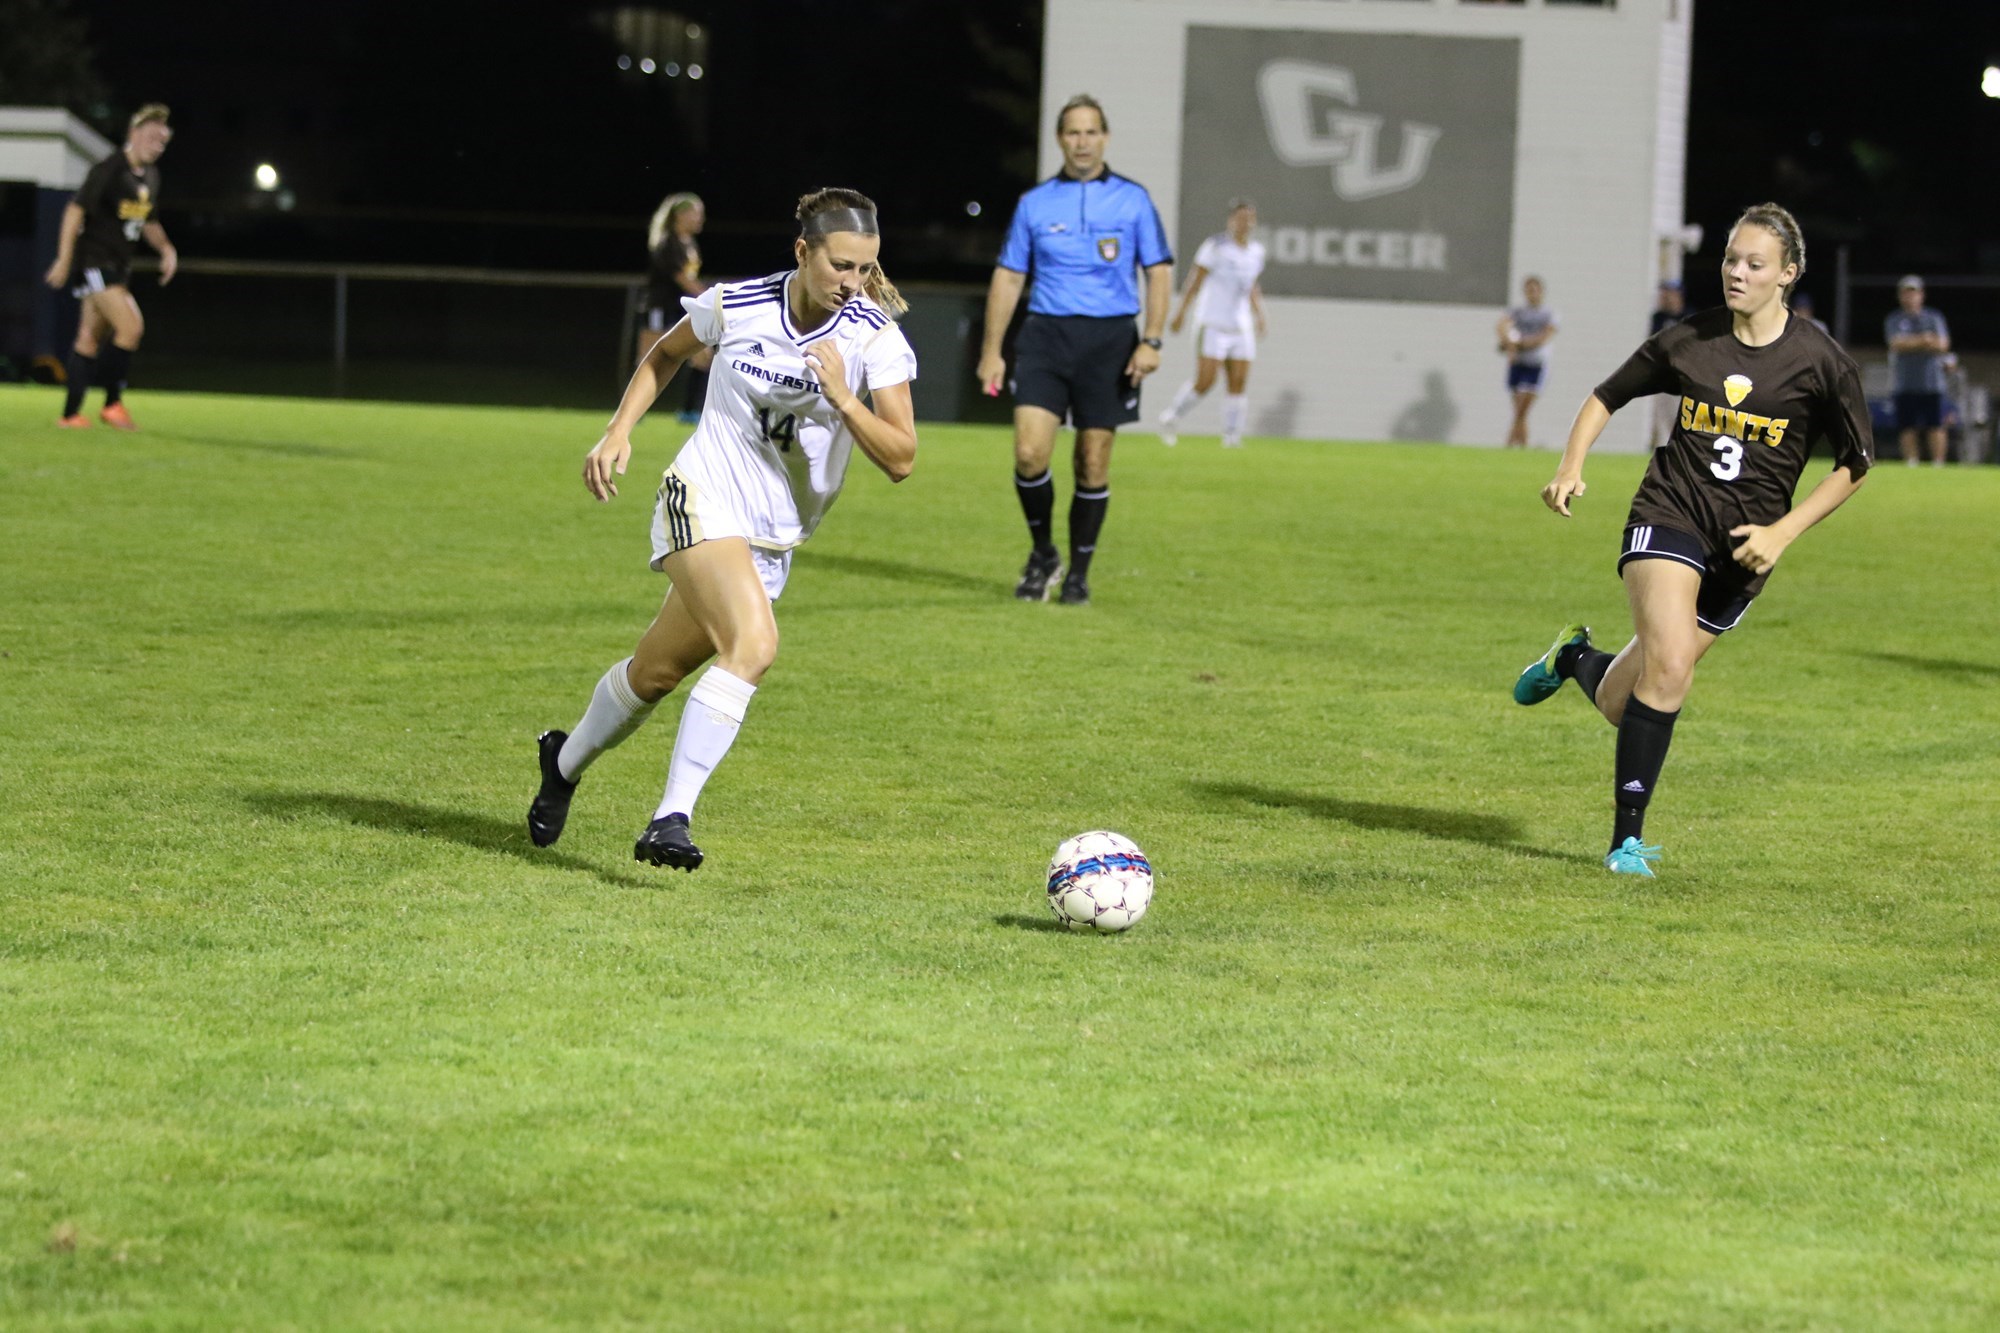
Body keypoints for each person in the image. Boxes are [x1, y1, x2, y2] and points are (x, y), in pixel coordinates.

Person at [529, 189, 918, 871]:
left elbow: (901, 456)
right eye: (840, 265)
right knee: (753, 643)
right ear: (803, 251)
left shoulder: (871, 337)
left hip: (771, 539)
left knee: (654, 673)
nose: (852, 283)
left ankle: (561, 763)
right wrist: (618, 431)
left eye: (864, 268)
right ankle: (670, 817)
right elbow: (663, 356)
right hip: (700, 497)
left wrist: (844, 398)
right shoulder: (735, 305)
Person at [1511, 202, 1872, 877]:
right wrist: (1570, 465)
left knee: (1629, 699)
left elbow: (1856, 461)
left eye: (1753, 263)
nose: (1736, 272)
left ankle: (1573, 658)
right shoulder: (1691, 339)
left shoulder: (1821, 362)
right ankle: (1626, 842)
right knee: (1671, 666)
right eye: (1732, 259)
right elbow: (1606, 395)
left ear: (1786, 274)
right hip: (1670, 512)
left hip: (1745, 551)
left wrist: (1784, 532)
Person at [978, 93, 1173, 605]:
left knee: (1092, 461)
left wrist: (1151, 340)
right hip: (1045, 335)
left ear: (1104, 138)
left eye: (1091, 132)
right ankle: (1044, 553)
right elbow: (1009, 274)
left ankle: (1080, 573)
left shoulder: (1132, 199)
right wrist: (992, 350)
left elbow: (1159, 270)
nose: (1082, 142)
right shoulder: (1035, 203)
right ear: (1060, 139)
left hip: (1109, 340)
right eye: (1072, 132)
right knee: (1028, 453)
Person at [43, 103, 178, 430]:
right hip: (95, 262)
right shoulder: (109, 170)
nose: (156, 146)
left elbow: (148, 220)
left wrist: (166, 249)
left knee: (88, 338)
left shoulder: (151, 176)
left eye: (162, 141)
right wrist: (64, 258)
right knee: (131, 328)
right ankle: (112, 404)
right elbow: (74, 212)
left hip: (118, 266)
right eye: (150, 137)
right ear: (133, 134)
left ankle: (70, 415)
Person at [1158, 199, 1267, 448]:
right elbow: (1196, 279)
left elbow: (1251, 286)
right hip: (1213, 321)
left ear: (1254, 221)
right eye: (1239, 218)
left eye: (1248, 218)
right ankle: (1171, 416)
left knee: (1238, 381)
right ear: (1231, 220)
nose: (1244, 223)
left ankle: (1231, 437)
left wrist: (1260, 314)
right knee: (1206, 381)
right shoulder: (1215, 247)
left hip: (1240, 325)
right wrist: (1181, 312)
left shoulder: (1256, 252)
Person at [640, 192, 713, 422]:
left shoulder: (689, 243)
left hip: (684, 309)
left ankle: (689, 411)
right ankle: (634, 411)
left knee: (703, 356)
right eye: (696, 214)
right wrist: (712, 298)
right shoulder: (667, 243)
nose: (700, 219)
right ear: (680, 216)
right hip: (660, 307)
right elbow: (684, 279)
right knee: (648, 359)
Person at [1885, 275, 1951, 466]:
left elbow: (1943, 344)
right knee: (1907, 426)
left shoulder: (1934, 317)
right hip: (1905, 382)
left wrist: (1911, 342)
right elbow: (1896, 344)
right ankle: (1911, 462)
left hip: (1932, 382)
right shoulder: (1895, 319)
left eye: (1913, 293)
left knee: (1936, 425)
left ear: (1921, 295)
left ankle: (1938, 463)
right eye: (1906, 293)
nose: (1910, 297)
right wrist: (1924, 340)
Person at [1497, 276, 1558, 447]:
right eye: (1529, 290)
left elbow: (1544, 337)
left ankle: (1509, 442)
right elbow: (1502, 326)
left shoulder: (1548, 313)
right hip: (1518, 364)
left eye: (1535, 290)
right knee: (1518, 409)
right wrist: (1508, 343)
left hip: (1536, 365)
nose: (1532, 294)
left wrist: (1519, 344)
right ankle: (1522, 445)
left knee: (1522, 409)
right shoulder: (1517, 312)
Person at [1646, 279, 1688, 450]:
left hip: (1684, 375)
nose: (1665, 297)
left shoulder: (1689, 316)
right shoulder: (1659, 317)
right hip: (1664, 374)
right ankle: (1667, 447)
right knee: (1663, 414)